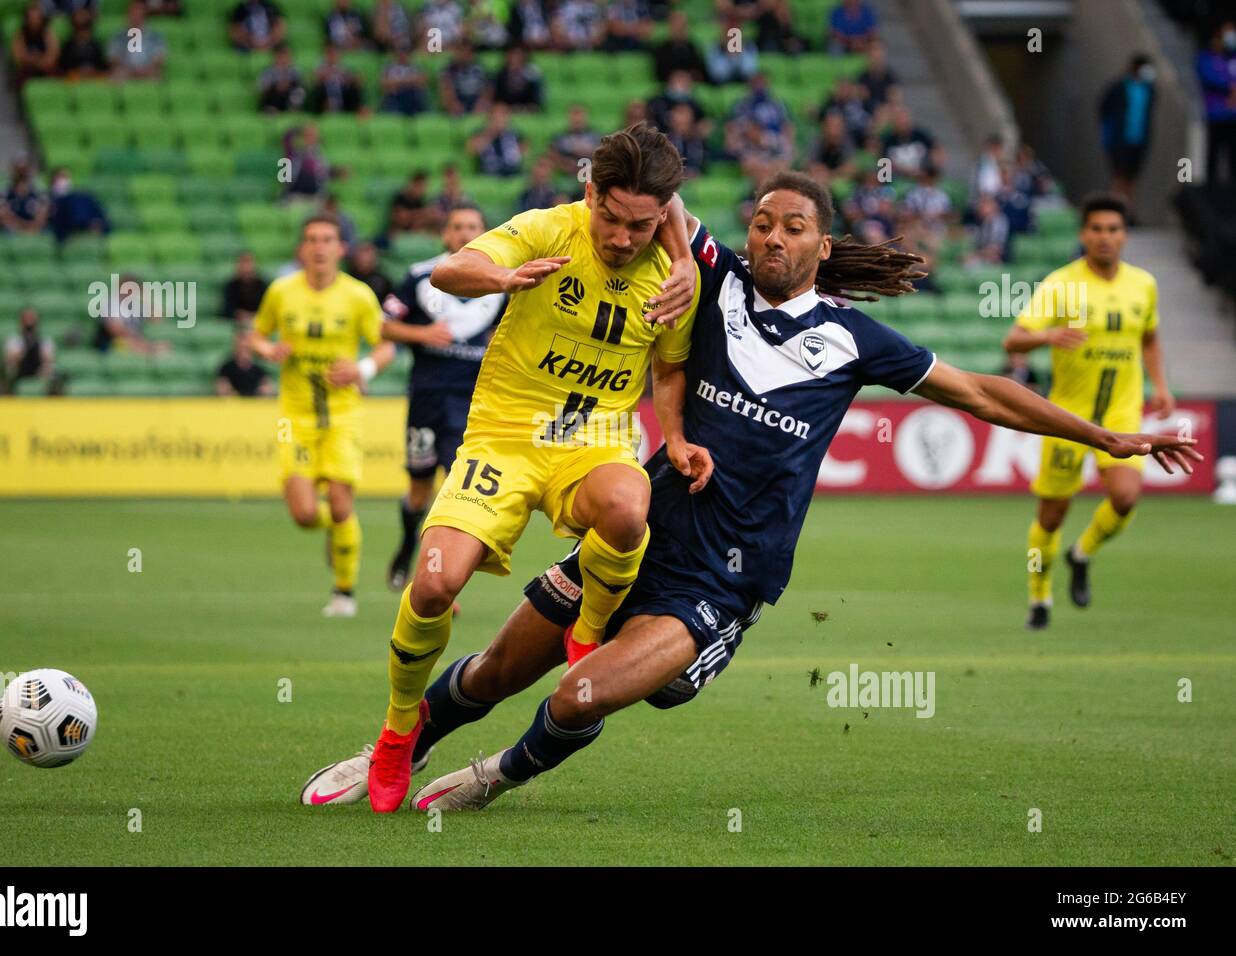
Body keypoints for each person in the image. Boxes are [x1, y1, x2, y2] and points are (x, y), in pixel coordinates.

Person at [301, 172, 1198, 809]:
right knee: (495, 669)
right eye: (762, 221)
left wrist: (1106, 434)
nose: (773, 237)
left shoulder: (854, 339)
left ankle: (498, 778)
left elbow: (982, 391)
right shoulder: (711, 274)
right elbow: (655, 177)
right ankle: (393, 747)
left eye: (794, 225)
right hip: (637, 533)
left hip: (721, 579)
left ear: (823, 241)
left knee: (578, 698)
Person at [354, 124, 701, 813]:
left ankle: (587, 632)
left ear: (662, 216)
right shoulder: (549, 229)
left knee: (632, 508)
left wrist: (680, 436)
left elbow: (669, 369)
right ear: (589, 192)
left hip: (595, 434)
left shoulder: (674, 271)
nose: (622, 237)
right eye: (611, 217)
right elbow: (452, 270)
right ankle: (399, 731)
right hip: (505, 436)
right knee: (432, 586)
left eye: (640, 225)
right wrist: (503, 278)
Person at [1003, 193, 1176, 630]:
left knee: (1125, 497)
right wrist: (1048, 336)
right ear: (1083, 234)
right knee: (1051, 515)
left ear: (1124, 235)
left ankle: (1081, 555)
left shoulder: (1144, 285)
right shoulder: (1061, 284)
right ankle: (1039, 598)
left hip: (1120, 412)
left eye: (1113, 230)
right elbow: (1014, 340)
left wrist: (1161, 386)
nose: (1105, 237)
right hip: (1068, 417)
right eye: (1096, 229)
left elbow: (1150, 338)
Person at [247, 213, 396, 618]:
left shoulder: (359, 295)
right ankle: (339, 530)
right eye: (311, 239)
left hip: (343, 415)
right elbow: (256, 334)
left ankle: (344, 591)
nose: (318, 246)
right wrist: (267, 351)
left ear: (340, 249)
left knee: (342, 502)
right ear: (301, 248)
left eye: (327, 239)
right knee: (304, 514)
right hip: (292, 418)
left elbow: (386, 346)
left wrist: (361, 370)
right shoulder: (281, 292)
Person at [381, 205, 507, 591]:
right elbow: (383, 325)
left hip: (473, 405)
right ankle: (406, 546)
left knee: (457, 486)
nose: (465, 233)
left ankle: (436, 574)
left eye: (473, 225)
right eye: (457, 227)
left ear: (485, 232)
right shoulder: (421, 276)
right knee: (420, 487)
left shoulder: (503, 282)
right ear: (445, 235)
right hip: (427, 397)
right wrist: (422, 335)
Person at [1098, 53, 1156, 213]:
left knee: (1131, 178)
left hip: (1139, 140)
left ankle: (1128, 212)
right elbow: (1103, 109)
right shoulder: (1119, 87)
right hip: (1119, 139)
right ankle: (1114, 211)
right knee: (1119, 176)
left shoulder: (1149, 89)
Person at [1197, 22, 1236, 187]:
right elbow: (1209, 77)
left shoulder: (1232, 58)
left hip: (1233, 116)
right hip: (1216, 115)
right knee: (1213, 155)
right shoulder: (1207, 57)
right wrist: (1230, 87)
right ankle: (1210, 190)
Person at [47, 166, 108, 243]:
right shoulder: (46, 199)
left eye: (66, 177)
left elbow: (101, 220)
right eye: (60, 177)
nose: (64, 181)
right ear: (52, 180)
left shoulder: (83, 198)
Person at [107, 1, 166, 79]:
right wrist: (129, 70)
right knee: (115, 75)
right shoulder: (118, 37)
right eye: (133, 13)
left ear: (144, 15)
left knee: (158, 75)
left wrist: (145, 70)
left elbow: (159, 58)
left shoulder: (155, 37)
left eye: (139, 13)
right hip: (125, 71)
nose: (136, 16)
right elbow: (113, 58)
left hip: (148, 71)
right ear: (128, 15)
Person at [4, 308, 55, 387]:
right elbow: (10, 359)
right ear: (21, 321)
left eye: (32, 319)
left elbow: (49, 359)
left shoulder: (44, 340)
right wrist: (26, 348)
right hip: (21, 370)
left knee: (49, 369)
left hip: (38, 370)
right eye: (26, 319)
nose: (29, 323)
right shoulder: (14, 340)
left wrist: (35, 348)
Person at [216, 329, 275, 396]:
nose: (244, 352)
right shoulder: (226, 368)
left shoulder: (259, 371)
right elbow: (222, 388)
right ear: (235, 347)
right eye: (241, 348)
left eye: (246, 348)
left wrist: (264, 391)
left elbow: (268, 389)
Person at [11, 3, 60, 85]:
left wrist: (35, 60)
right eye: (32, 18)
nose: (34, 21)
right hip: (28, 70)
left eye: (37, 18)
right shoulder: (20, 35)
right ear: (26, 19)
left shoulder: (47, 33)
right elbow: (19, 57)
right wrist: (36, 60)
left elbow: (53, 56)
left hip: (45, 68)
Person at [0, 161, 49, 235]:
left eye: (24, 170)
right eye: (19, 170)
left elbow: (44, 212)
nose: (22, 173)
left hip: (35, 227)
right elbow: (1, 214)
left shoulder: (39, 189)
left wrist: (32, 227)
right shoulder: (5, 190)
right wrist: (18, 226)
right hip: (12, 228)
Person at [491, 46, 544, 112]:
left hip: (526, 110)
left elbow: (536, 100)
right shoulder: (500, 75)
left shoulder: (532, 76)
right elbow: (494, 97)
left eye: (518, 56)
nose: (515, 59)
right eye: (513, 55)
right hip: (504, 109)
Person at [57, 9, 108, 77]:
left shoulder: (96, 46)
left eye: (85, 27)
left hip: (94, 82)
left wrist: (92, 72)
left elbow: (102, 69)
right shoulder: (68, 47)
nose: (83, 32)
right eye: (79, 28)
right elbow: (62, 71)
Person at [222, 251, 269, 324]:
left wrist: (254, 315)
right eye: (242, 262)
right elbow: (227, 309)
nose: (246, 267)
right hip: (235, 324)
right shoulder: (230, 286)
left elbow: (267, 309)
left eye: (248, 262)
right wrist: (239, 314)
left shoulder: (263, 285)